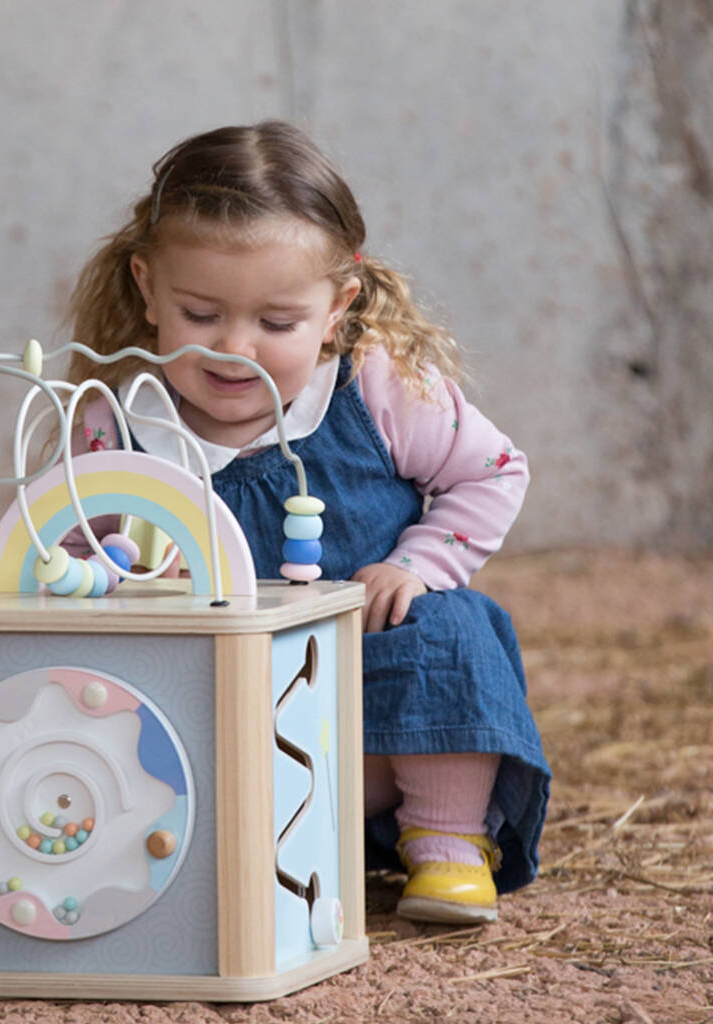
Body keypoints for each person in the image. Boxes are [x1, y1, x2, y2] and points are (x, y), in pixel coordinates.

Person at [63, 120, 550, 925]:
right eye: (200, 314)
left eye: (277, 324)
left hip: (372, 729)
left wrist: (419, 564)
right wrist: (115, 573)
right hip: (215, 732)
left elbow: (492, 472)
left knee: (457, 623)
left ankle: (444, 840)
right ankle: (204, 845)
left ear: (337, 307)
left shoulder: (377, 387)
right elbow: (62, 553)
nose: (235, 349)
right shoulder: (118, 424)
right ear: (147, 288)